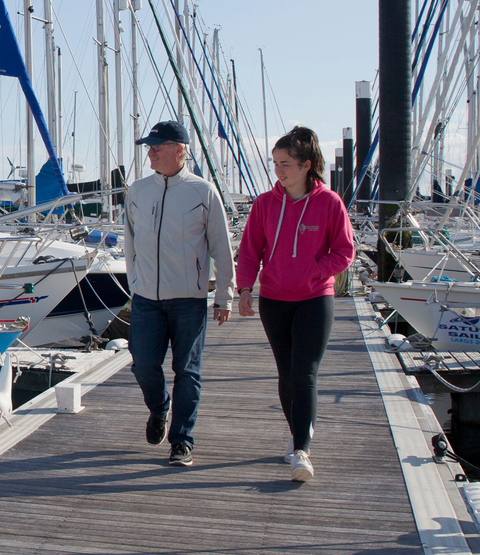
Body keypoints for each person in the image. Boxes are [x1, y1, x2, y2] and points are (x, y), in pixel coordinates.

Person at [235, 126, 356, 483]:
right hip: (274, 299)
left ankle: (302, 450)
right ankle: (296, 430)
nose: (279, 171)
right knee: (286, 373)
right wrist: (245, 289)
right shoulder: (264, 203)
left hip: (315, 299)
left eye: (285, 163)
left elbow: (345, 252)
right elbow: (250, 250)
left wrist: (314, 271)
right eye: (275, 164)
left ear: (306, 165)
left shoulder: (330, 203)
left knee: (304, 372)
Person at [125, 120, 235, 468]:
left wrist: (224, 296)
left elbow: (221, 247)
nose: (151, 152)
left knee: (187, 371)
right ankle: (160, 409)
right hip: (146, 299)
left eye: (158, 146)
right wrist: (134, 283)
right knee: (143, 364)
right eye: (149, 147)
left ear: (180, 150)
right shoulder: (138, 191)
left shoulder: (203, 192)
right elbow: (129, 244)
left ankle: (182, 441)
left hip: (189, 299)